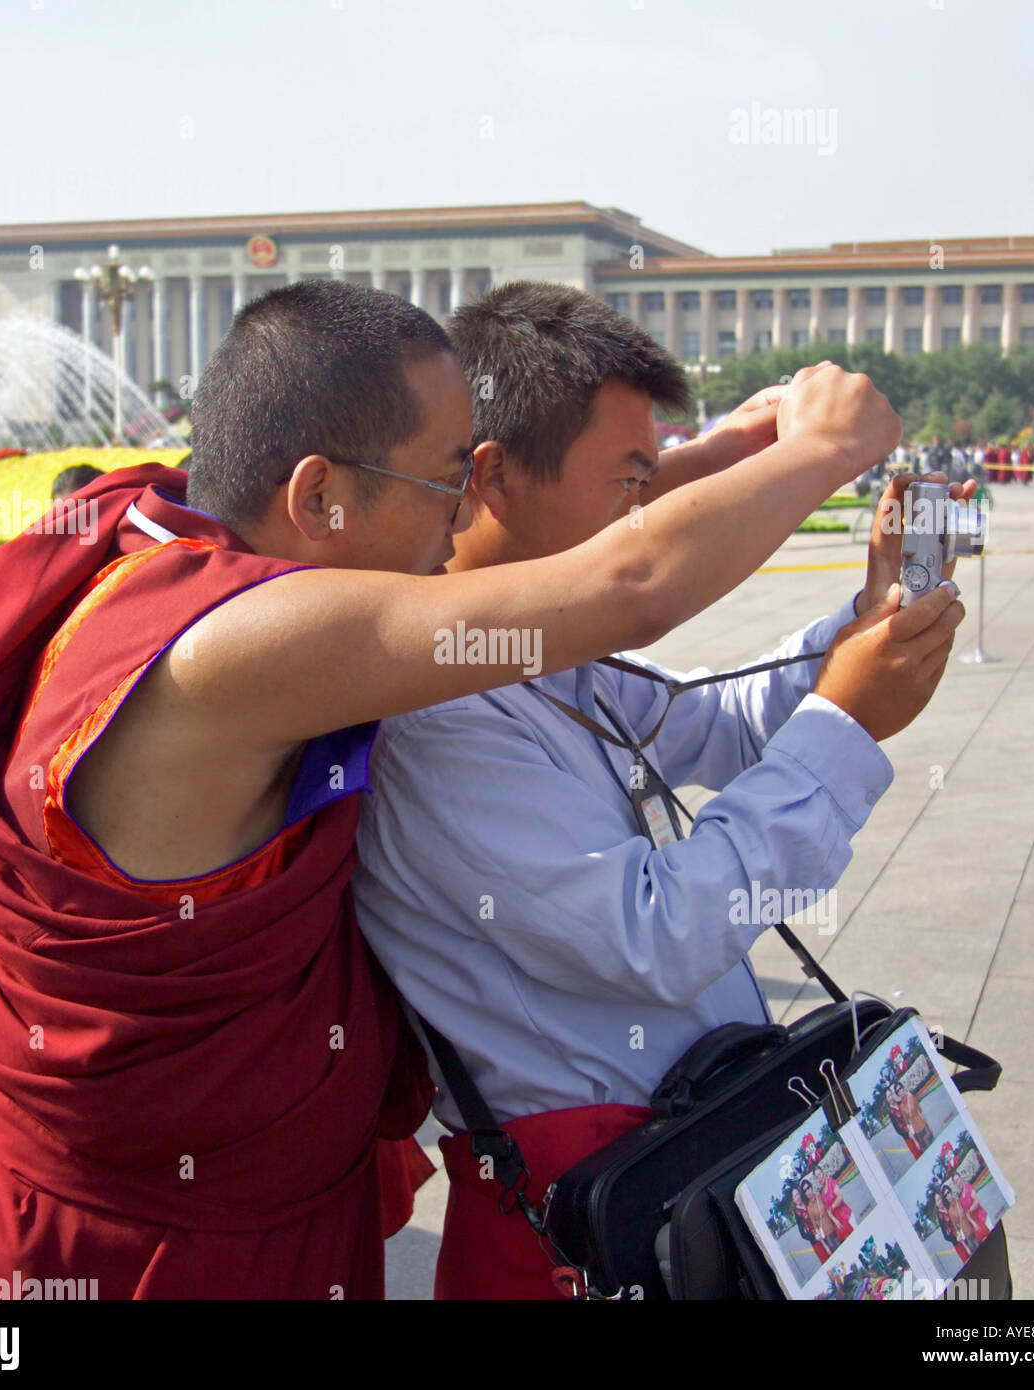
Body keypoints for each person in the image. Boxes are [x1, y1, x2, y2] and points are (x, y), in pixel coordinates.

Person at [0, 280, 890, 1300]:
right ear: (319, 496)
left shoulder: (184, 543)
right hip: (108, 1250)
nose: (465, 519)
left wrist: (693, 461)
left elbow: (569, 559)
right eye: (451, 481)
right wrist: (823, 451)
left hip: (245, 1201)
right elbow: (625, 589)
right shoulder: (239, 640)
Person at [352, 281, 966, 1299]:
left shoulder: (524, 644)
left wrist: (852, 640)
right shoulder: (439, 710)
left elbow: (710, 724)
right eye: (631, 482)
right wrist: (843, 725)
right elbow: (660, 930)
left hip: (682, 1162)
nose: (650, 516)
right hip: (596, 1213)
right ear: (495, 476)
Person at [817, 1161, 854, 1243]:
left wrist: (832, 1206)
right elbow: (828, 1211)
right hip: (838, 1223)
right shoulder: (822, 1193)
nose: (819, 1177)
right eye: (817, 1176)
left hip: (846, 1216)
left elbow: (840, 1197)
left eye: (819, 1174)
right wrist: (835, 1221)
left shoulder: (831, 1182)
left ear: (823, 1173)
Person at [952, 1170, 991, 1243]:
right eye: (956, 1182)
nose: (958, 1182)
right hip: (976, 1224)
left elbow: (976, 1201)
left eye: (958, 1179)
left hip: (983, 1218)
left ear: (961, 1178)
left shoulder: (968, 1187)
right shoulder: (960, 1198)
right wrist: (974, 1223)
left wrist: (970, 1210)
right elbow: (966, 1214)